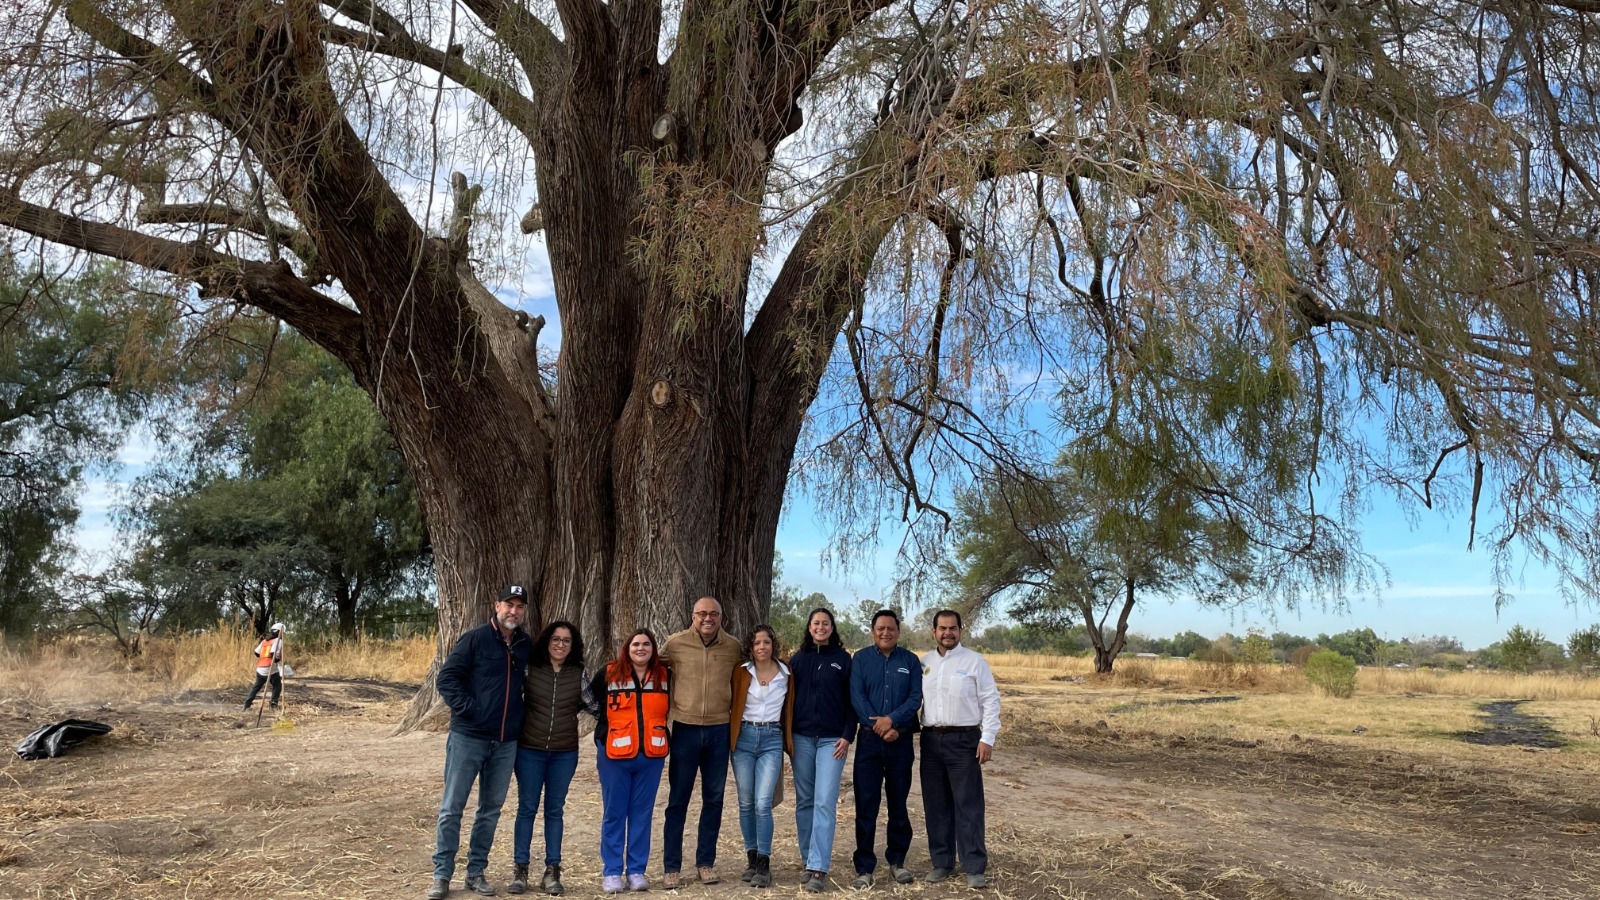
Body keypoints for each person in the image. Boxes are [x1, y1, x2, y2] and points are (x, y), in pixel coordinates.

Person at [429, 584, 533, 900]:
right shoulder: (475, 639)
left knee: (490, 810)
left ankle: (476, 872)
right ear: (496, 605)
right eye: (508, 605)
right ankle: (442, 875)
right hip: (468, 738)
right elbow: (446, 679)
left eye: (519, 607)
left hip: (505, 743)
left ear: (524, 611)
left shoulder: (525, 644)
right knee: (452, 808)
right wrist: (471, 710)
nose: (513, 611)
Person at [508, 621, 595, 896]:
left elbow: (595, 706)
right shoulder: (531, 670)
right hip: (530, 750)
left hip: (564, 753)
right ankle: (520, 870)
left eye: (566, 640)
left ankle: (552, 870)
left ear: (573, 645)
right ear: (547, 641)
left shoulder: (578, 673)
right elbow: (511, 700)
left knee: (554, 810)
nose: (560, 644)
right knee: (527, 808)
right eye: (556, 639)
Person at [660, 596, 742, 888]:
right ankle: (672, 867)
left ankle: (705, 863)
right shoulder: (675, 644)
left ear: (721, 617)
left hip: (719, 730)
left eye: (714, 614)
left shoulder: (733, 647)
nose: (708, 619)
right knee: (677, 800)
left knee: (714, 799)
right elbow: (653, 669)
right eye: (702, 614)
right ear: (692, 616)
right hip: (685, 729)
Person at [918, 609, 1001, 889]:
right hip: (931, 741)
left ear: (960, 631)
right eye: (942, 628)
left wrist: (987, 737)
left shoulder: (975, 662)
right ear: (934, 632)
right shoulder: (924, 663)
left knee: (968, 805)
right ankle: (942, 863)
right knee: (936, 805)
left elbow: (990, 700)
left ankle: (974, 865)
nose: (947, 633)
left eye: (953, 628)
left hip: (964, 741)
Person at [593, 629, 671, 894]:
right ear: (627, 648)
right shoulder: (609, 672)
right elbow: (592, 700)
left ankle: (636, 871)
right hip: (614, 755)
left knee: (642, 814)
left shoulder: (664, 675)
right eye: (636, 644)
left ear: (653, 648)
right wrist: (606, 730)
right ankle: (612, 872)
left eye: (646, 644)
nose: (641, 648)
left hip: (651, 755)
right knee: (614, 814)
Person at [848, 610, 922, 889]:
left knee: (898, 804)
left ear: (898, 632)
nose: (885, 633)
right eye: (880, 628)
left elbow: (915, 698)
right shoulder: (861, 659)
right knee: (866, 806)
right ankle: (864, 867)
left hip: (900, 742)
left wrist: (893, 721)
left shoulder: (910, 661)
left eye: (891, 628)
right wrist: (880, 725)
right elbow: (857, 697)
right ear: (873, 631)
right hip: (869, 742)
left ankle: (897, 861)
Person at [787, 607, 854, 893]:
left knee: (825, 801)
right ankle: (807, 860)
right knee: (805, 801)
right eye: (816, 623)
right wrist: (786, 736)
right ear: (809, 626)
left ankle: (818, 868)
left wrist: (848, 735)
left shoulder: (843, 660)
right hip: (801, 738)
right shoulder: (797, 661)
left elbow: (853, 702)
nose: (821, 627)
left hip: (832, 741)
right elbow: (786, 699)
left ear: (832, 627)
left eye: (826, 623)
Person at [729, 624, 789, 889]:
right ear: (750, 648)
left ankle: (764, 864)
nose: (762, 647)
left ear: (773, 644)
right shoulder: (741, 673)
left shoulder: (787, 674)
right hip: (743, 739)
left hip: (771, 740)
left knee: (763, 803)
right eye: (756, 643)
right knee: (746, 802)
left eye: (766, 642)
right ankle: (751, 858)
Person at [243, 622, 287, 711]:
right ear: (279, 632)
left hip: (260, 668)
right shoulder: (278, 640)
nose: (283, 635)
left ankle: (247, 705)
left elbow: (256, 652)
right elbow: (274, 654)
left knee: (256, 687)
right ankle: (273, 705)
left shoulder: (265, 641)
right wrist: (278, 660)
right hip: (269, 668)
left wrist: (264, 657)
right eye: (283, 633)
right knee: (277, 685)